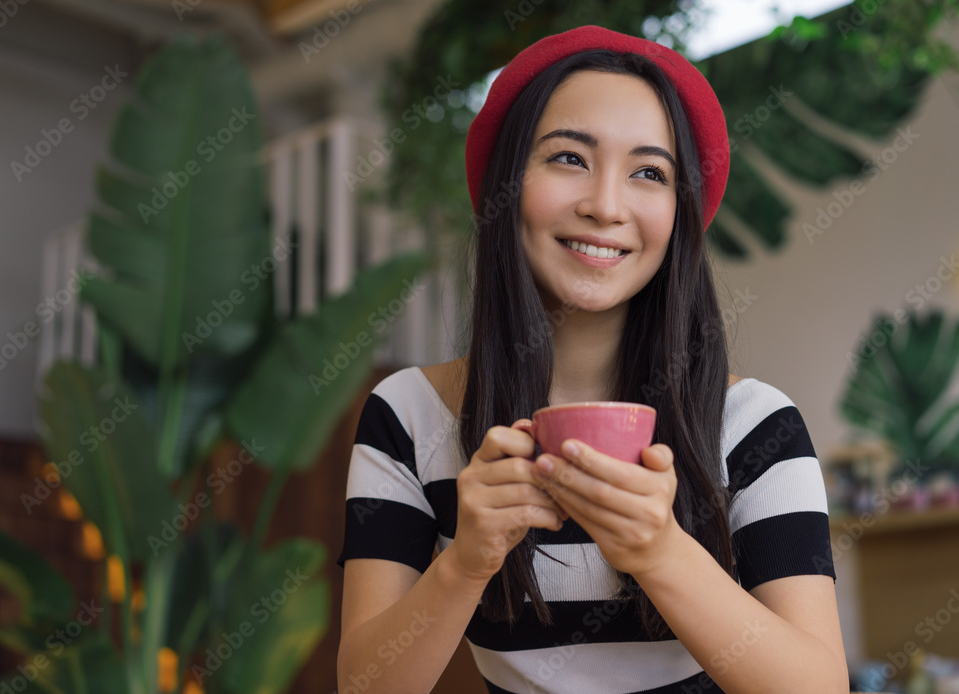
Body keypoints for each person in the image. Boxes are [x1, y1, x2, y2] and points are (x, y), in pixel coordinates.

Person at [336, 24, 848, 694]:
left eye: (649, 173)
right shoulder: (409, 418)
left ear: (679, 213)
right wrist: (465, 563)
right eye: (569, 158)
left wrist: (660, 553)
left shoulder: (755, 426)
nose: (606, 206)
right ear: (507, 185)